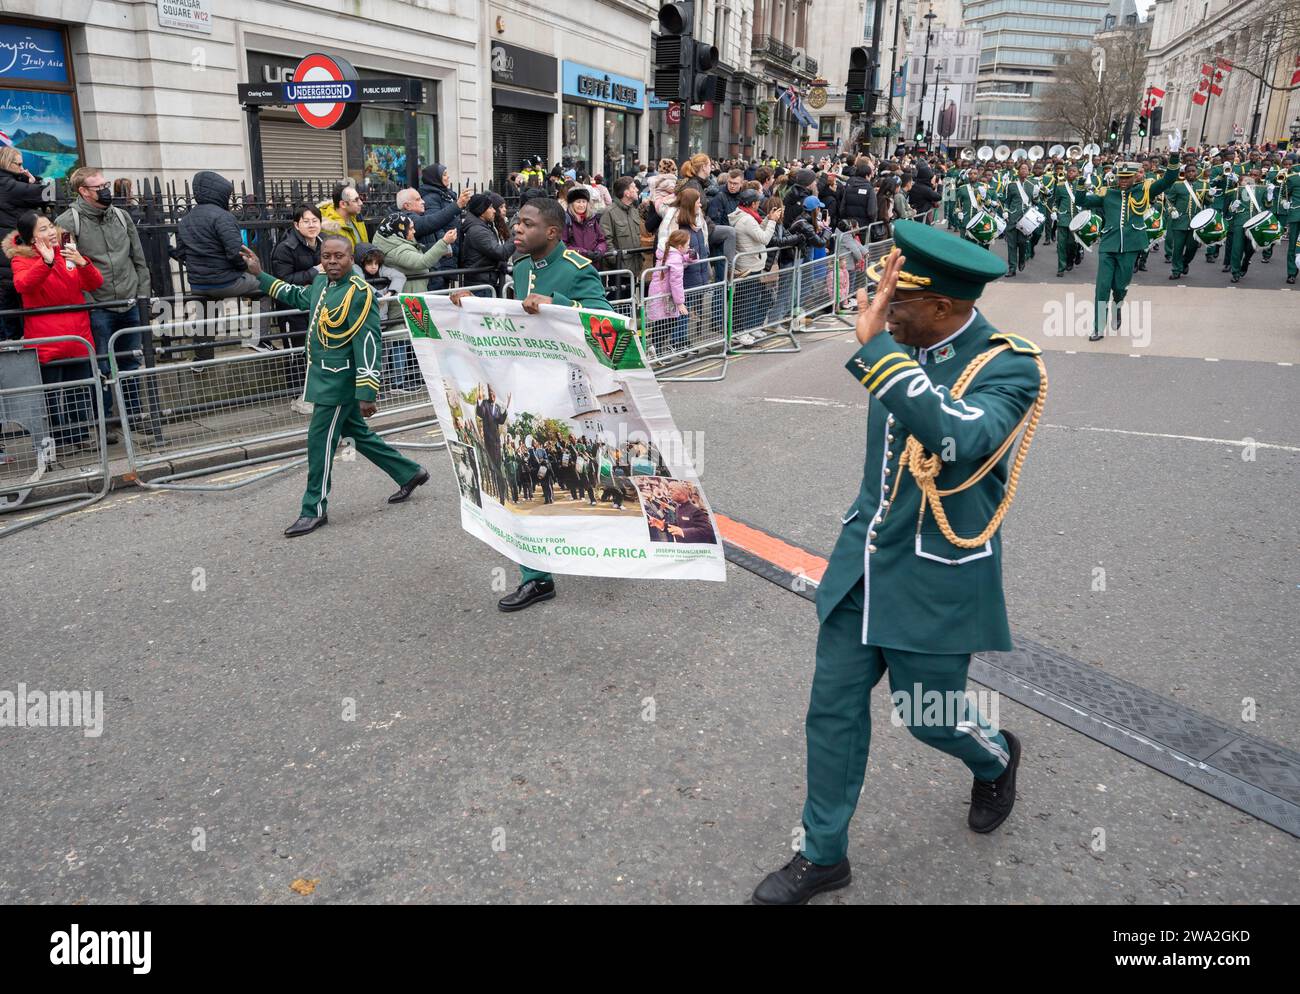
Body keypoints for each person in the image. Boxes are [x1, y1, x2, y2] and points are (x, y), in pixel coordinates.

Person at [752, 220, 1045, 905]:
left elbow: (958, 437)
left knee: (928, 716)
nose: (880, 313)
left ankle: (996, 754)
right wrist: (887, 346)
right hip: (863, 563)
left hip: (935, 573)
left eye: (896, 302)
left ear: (944, 307)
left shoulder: (1010, 364)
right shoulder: (908, 343)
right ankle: (822, 855)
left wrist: (879, 350)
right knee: (831, 711)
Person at [452, 198, 612, 612]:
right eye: (516, 222)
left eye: (526, 224)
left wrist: (558, 302)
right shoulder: (520, 268)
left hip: (567, 391)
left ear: (553, 233)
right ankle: (536, 578)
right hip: (530, 389)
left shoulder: (578, 269)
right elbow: (514, 323)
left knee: (586, 478)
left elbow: (606, 319)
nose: (516, 229)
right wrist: (472, 308)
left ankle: (602, 544)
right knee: (517, 482)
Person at [240, 236, 430, 536]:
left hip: (340, 383)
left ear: (351, 258)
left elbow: (368, 343)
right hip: (323, 377)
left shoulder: (360, 293)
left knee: (319, 443)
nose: (331, 261)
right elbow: (296, 295)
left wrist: (367, 393)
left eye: (338, 256)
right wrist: (259, 274)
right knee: (357, 433)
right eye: (326, 256)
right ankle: (410, 472)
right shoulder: (321, 283)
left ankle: (313, 509)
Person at [55, 166, 153, 430]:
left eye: (106, 184)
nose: (106, 190)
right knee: (101, 365)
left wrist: (142, 295)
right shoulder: (67, 222)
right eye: (99, 188)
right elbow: (68, 271)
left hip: (130, 301)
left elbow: (139, 259)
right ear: (83, 191)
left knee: (131, 361)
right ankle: (107, 421)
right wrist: (88, 302)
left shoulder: (121, 216)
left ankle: (134, 417)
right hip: (98, 306)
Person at [5, 213, 103, 451]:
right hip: (47, 338)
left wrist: (83, 263)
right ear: (31, 239)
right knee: (48, 394)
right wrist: (46, 262)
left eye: (50, 226)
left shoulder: (67, 252)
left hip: (78, 334)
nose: (50, 232)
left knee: (79, 390)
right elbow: (23, 285)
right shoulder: (21, 259)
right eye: (42, 229)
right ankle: (54, 439)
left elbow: (94, 283)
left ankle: (79, 435)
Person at [1077, 160, 1180, 340]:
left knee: (1120, 286)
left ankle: (1117, 306)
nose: (1123, 181)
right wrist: (1081, 180)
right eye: (1121, 177)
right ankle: (1098, 327)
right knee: (1102, 287)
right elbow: (1082, 200)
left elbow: (1168, 180)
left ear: (1134, 177)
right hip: (1108, 245)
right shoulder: (1108, 193)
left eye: (1127, 177)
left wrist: (1173, 157)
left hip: (1131, 244)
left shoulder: (1144, 191)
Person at [0, 145, 47, 342]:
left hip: (7, 261)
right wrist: (34, 182)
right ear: (6, 163)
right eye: (18, 164)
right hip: (11, 260)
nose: (22, 168)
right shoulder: (7, 184)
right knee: (18, 321)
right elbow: (47, 193)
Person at [269, 204, 323, 348]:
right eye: (306, 221)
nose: (311, 225)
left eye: (315, 220)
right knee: (297, 356)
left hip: (320, 307)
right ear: (297, 225)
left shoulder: (325, 243)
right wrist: (315, 271)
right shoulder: (285, 248)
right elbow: (284, 281)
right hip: (293, 311)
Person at [645, 228, 691, 357]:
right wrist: (680, 303)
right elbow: (676, 283)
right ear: (680, 246)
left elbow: (680, 258)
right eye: (688, 245)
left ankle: (655, 348)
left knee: (663, 322)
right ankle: (656, 349)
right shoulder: (675, 258)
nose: (689, 247)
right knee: (668, 322)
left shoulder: (669, 252)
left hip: (659, 293)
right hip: (665, 295)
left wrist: (688, 256)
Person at [458, 192, 514, 296]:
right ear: (481, 211)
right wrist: (516, 237)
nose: (494, 211)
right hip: (480, 286)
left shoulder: (482, 226)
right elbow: (500, 252)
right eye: (490, 207)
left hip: (484, 281)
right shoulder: (478, 231)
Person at [599, 177, 647, 291]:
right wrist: (616, 262)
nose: (637, 190)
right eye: (633, 187)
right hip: (619, 270)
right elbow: (606, 240)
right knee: (619, 302)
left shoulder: (633, 210)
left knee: (632, 303)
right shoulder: (609, 212)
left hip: (635, 267)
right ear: (626, 193)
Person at [1163, 163, 1202, 281]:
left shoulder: (1203, 184)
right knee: (1178, 248)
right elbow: (1169, 201)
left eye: (1193, 171)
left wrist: (1211, 195)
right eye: (1188, 171)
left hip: (1196, 222)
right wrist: (1172, 210)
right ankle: (1176, 270)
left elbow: (1207, 202)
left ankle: (1185, 263)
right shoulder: (1177, 186)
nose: (1191, 173)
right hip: (1180, 221)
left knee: (1192, 247)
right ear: (1184, 173)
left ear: (1197, 172)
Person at [1001, 161, 1038, 278]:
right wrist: (1005, 211)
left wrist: (1036, 196)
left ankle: (1021, 259)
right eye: (1022, 168)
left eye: (1026, 169)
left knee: (1022, 242)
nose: (1023, 171)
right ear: (1018, 171)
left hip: (1026, 219)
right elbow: (1006, 201)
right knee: (1011, 244)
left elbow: (1035, 202)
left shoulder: (1032, 185)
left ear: (1029, 171)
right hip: (1012, 217)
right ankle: (1012, 268)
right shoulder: (1011, 185)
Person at [562, 187, 608, 263]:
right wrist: (584, 253)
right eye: (578, 202)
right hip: (575, 264)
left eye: (584, 202)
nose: (581, 205)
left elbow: (601, 240)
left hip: (594, 264)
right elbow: (563, 245)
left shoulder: (592, 219)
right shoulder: (566, 220)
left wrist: (599, 250)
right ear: (572, 204)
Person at [319, 184, 369, 250]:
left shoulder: (356, 217)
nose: (361, 203)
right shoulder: (330, 228)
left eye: (359, 198)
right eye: (356, 200)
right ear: (343, 204)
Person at [1281, 155, 1300, 285]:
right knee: (1293, 244)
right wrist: (1285, 202)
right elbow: (1284, 194)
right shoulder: (1292, 178)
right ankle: (1292, 273)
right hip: (1296, 213)